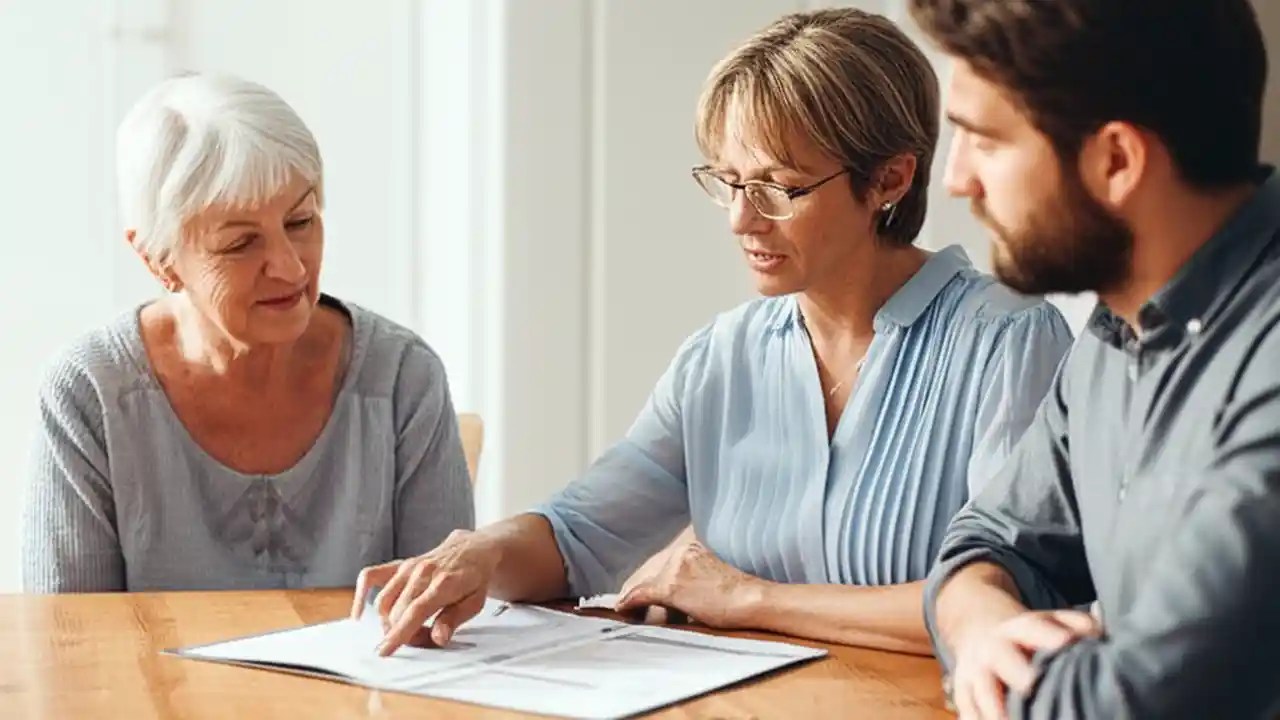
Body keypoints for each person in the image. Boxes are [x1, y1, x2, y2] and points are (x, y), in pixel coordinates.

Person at [356, 8, 1072, 657]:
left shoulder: (1007, 343)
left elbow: (1011, 605)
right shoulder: (721, 358)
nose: (741, 218)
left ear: (889, 179)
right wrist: (478, 554)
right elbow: (578, 533)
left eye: (777, 187)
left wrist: (747, 599)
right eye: (728, 180)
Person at [906, 0, 1280, 717]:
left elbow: (1134, 703)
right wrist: (983, 627)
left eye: (984, 140)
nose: (957, 180)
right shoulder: (1114, 330)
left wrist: (998, 666)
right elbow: (983, 545)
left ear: (1116, 160)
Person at [21, 73, 474, 593]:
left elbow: (443, 625)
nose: (288, 267)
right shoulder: (89, 394)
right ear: (158, 261)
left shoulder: (402, 378)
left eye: (301, 221)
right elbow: (71, 642)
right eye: (239, 244)